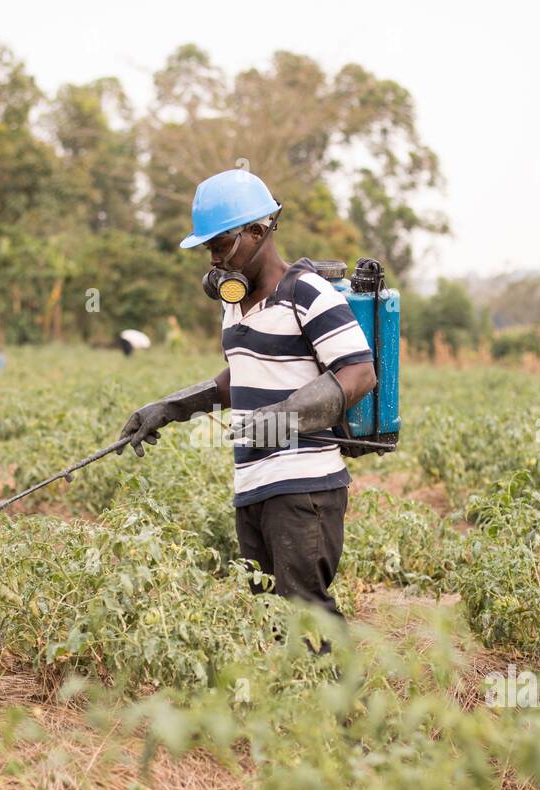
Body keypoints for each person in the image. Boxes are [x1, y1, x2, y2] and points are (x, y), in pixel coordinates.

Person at [117, 169, 376, 631]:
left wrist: (280, 418)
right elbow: (240, 376)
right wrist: (167, 409)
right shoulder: (233, 303)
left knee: (305, 615)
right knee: (270, 617)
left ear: (259, 231)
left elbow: (358, 372)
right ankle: (292, 703)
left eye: (221, 245)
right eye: (209, 250)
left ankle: (345, 702)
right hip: (253, 485)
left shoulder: (307, 292)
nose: (214, 260)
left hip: (304, 487)